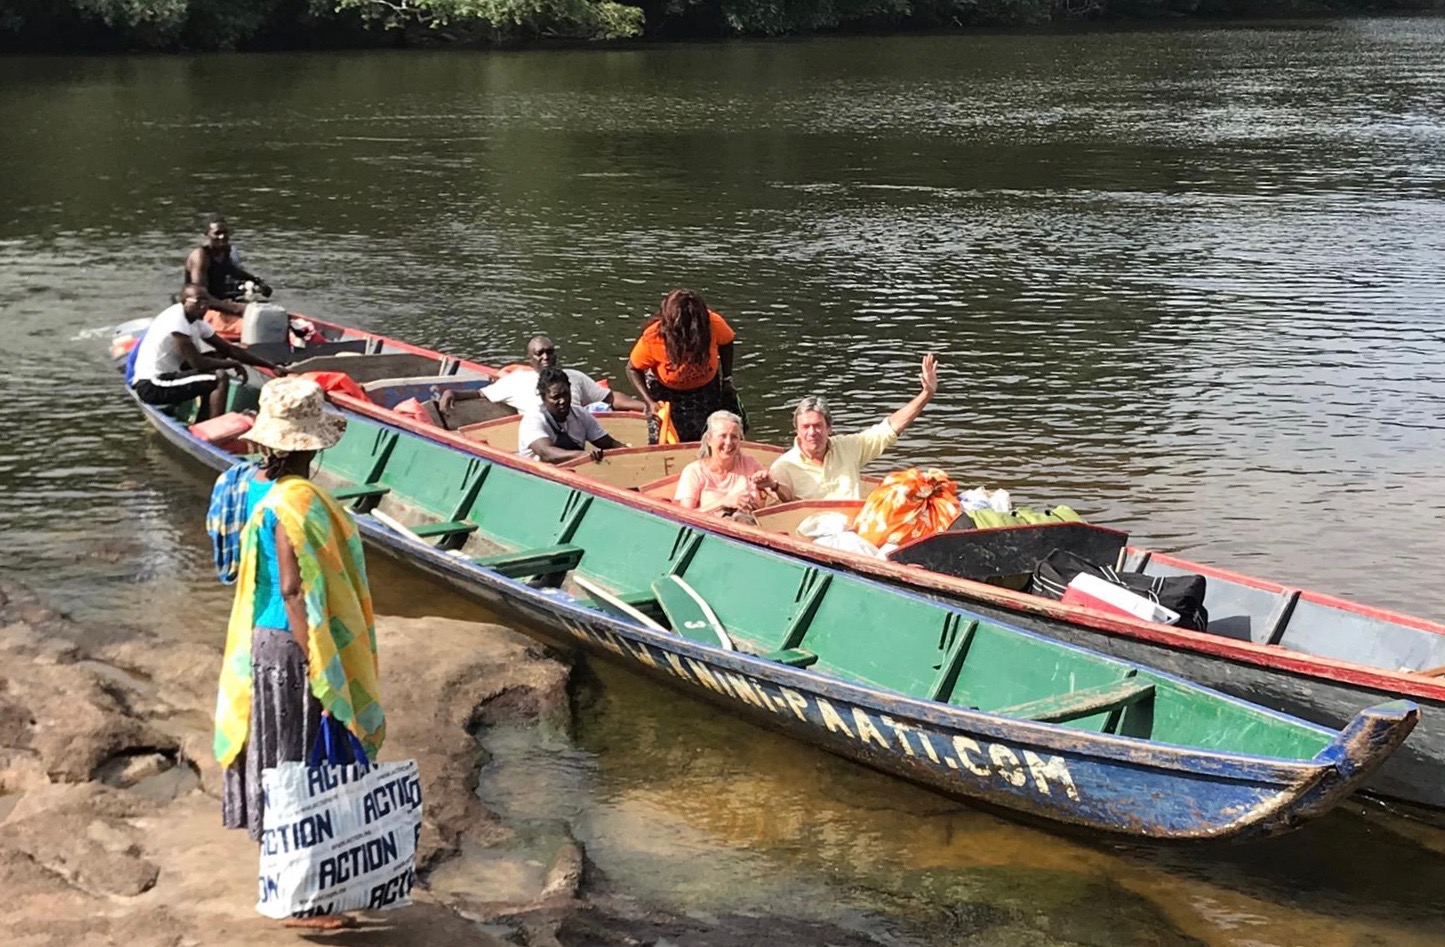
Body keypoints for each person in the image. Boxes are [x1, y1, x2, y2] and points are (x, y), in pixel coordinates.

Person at [213, 376, 381, 931]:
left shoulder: (253, 490)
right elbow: (291, 588)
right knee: (295, 762)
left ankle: (301, 882)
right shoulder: (296, 505)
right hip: (290, 645)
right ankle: (296, 897)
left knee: (284, 756)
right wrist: (318, 661)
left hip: (266, 642)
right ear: (311, 448)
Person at [769, 354, 939, 502]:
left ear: (829, 428)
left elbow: (890, 428)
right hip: (811, 534)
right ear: (796, 431)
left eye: (818, 426)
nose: (812, 433)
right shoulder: (783, 467)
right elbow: (776, 512)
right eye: (805, 427)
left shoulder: (848, 447)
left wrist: (926, 395)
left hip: (855, 528)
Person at [129, 283, 282, 423]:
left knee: (217, 358)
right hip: (153, 385)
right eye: (198, 302)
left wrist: (270, 366)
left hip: (168, 377)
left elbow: (229, 349)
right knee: (218, 378)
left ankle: (202, 421)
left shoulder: (197, 322)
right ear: (183, 301)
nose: (203, 306)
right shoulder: (176, 322)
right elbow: (197, 362)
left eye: (206, 302)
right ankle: (214, 427)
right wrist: (232, 363)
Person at [625, 289, 738, 443]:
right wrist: (649, 402)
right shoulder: (653, 337)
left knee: (711, 437)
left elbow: (727, 343)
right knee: (663, 441)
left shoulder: (713, 324)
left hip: (706, 392)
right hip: (666, 395)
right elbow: (633, 368)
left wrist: (727, 380)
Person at [438, 334, 646, 415]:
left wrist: (648, 406)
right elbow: (481, 394)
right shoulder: (517, 380)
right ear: (530, 358)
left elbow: (610, 397)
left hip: (580, 429)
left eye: (550, 352)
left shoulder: (574, 376)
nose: (545, 357)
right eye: (539, 354)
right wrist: (452, 393)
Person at [675, 410, 780, 519]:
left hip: (751, 525)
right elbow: (684, 516)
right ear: (709, 440)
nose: (728, 442)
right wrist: (724, 502)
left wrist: (773, 485)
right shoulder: (694, 471)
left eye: (734, 437)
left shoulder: (750, 464)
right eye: (722, 436)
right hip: (715, 530)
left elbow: (786, 501)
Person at [184, 215, 271, 340]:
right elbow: (200, 296)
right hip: (201, 310)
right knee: (258, 323)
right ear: (207, 235)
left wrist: (257, 281)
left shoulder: (225, 250)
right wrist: (235, 308)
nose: (222, 236)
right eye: (217, 233)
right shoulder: (201, 256)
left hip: (220, 304)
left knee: (264, 311)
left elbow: (232, 270)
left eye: (225, 232)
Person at [518, 366, 627, 464]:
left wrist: (627, 451)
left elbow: (609, 443)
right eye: (556, 397)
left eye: (566, 394)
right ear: (543, 397)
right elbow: (546, 453)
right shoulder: (533, 420)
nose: (562, 401)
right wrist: (581, 455)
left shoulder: (580, 414)